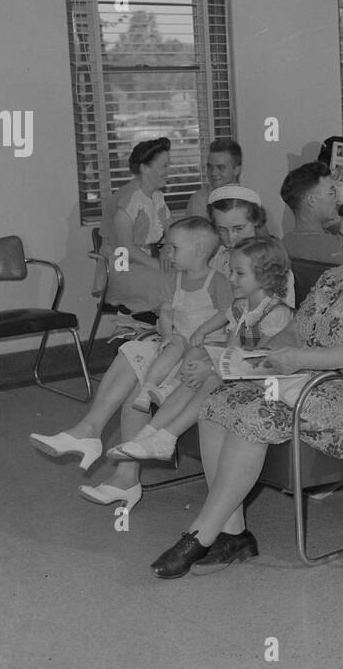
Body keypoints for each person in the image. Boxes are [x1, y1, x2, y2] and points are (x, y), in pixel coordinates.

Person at [148, 199, 343, 578]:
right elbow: (295, 329)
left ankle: (200, 534)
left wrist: (299, 360)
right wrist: (260, 356)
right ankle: (233, 534)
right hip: (302, 380)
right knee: (215, 401)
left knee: (252, 414)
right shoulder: (335, 279)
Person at [29, 216, 231, 509]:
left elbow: (239, 319)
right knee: (134, 351)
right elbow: (169, 312)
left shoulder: (241, 266)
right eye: (224, 227)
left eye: (236, 228)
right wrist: (166, 328)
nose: (167, 253)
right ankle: (89, 430)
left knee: (142, 376)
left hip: (211, 349)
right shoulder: (178, 275)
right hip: (178, 340)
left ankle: (123, 474)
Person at [109, 237, 296, 462]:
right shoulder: (241, 307)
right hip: (243, 370)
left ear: (265, 276)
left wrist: (211, 368)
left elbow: (259, 361)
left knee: (210, 379)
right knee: (197, 374)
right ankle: (147, 435)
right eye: (231, 271)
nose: (231, 279)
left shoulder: (276, 314)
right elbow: (232, 351)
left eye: (240, 273)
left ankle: (167, 437)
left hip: (269, 381)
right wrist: (211, 363)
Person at [130, 219, 233, 412]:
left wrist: (203, 331)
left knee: (194, 354)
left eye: (174, 248)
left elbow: (226, 312)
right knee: (172, 346)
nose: (169, 254)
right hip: (182, 335)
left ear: (199, 251)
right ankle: (147, 388)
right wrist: (167, 333)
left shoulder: (217, 280)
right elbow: (167, 309)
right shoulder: (173, 280)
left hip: (210, 339)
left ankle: (171, 388)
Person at [98, 137, 174, 315]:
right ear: (145, 168)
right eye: (164, 166)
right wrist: (157, 265)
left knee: (187, 277)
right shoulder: (129, 199)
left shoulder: (157, 197)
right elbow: (126, 249)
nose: (168, 171)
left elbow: (173, 232)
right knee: (168, 283)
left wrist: (167, 250)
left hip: (144, 263)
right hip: (121, 265)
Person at [206, 184, 297, 306]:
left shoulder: (273, 265)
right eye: (222, 230)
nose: (231, 237)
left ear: (256, 220)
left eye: (238, 228)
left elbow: (282, 315)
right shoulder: (215, 260)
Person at [280, 161, 343, 263]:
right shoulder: (334, 246)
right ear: (311, 201)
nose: (337, 199)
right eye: (331, 193)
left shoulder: (286, 242)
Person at [186, 138, 244, 218]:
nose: (213, 173)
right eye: (210, 167)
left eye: (220, 167)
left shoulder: (248, 200)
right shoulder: (199, 200)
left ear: (236, 170)